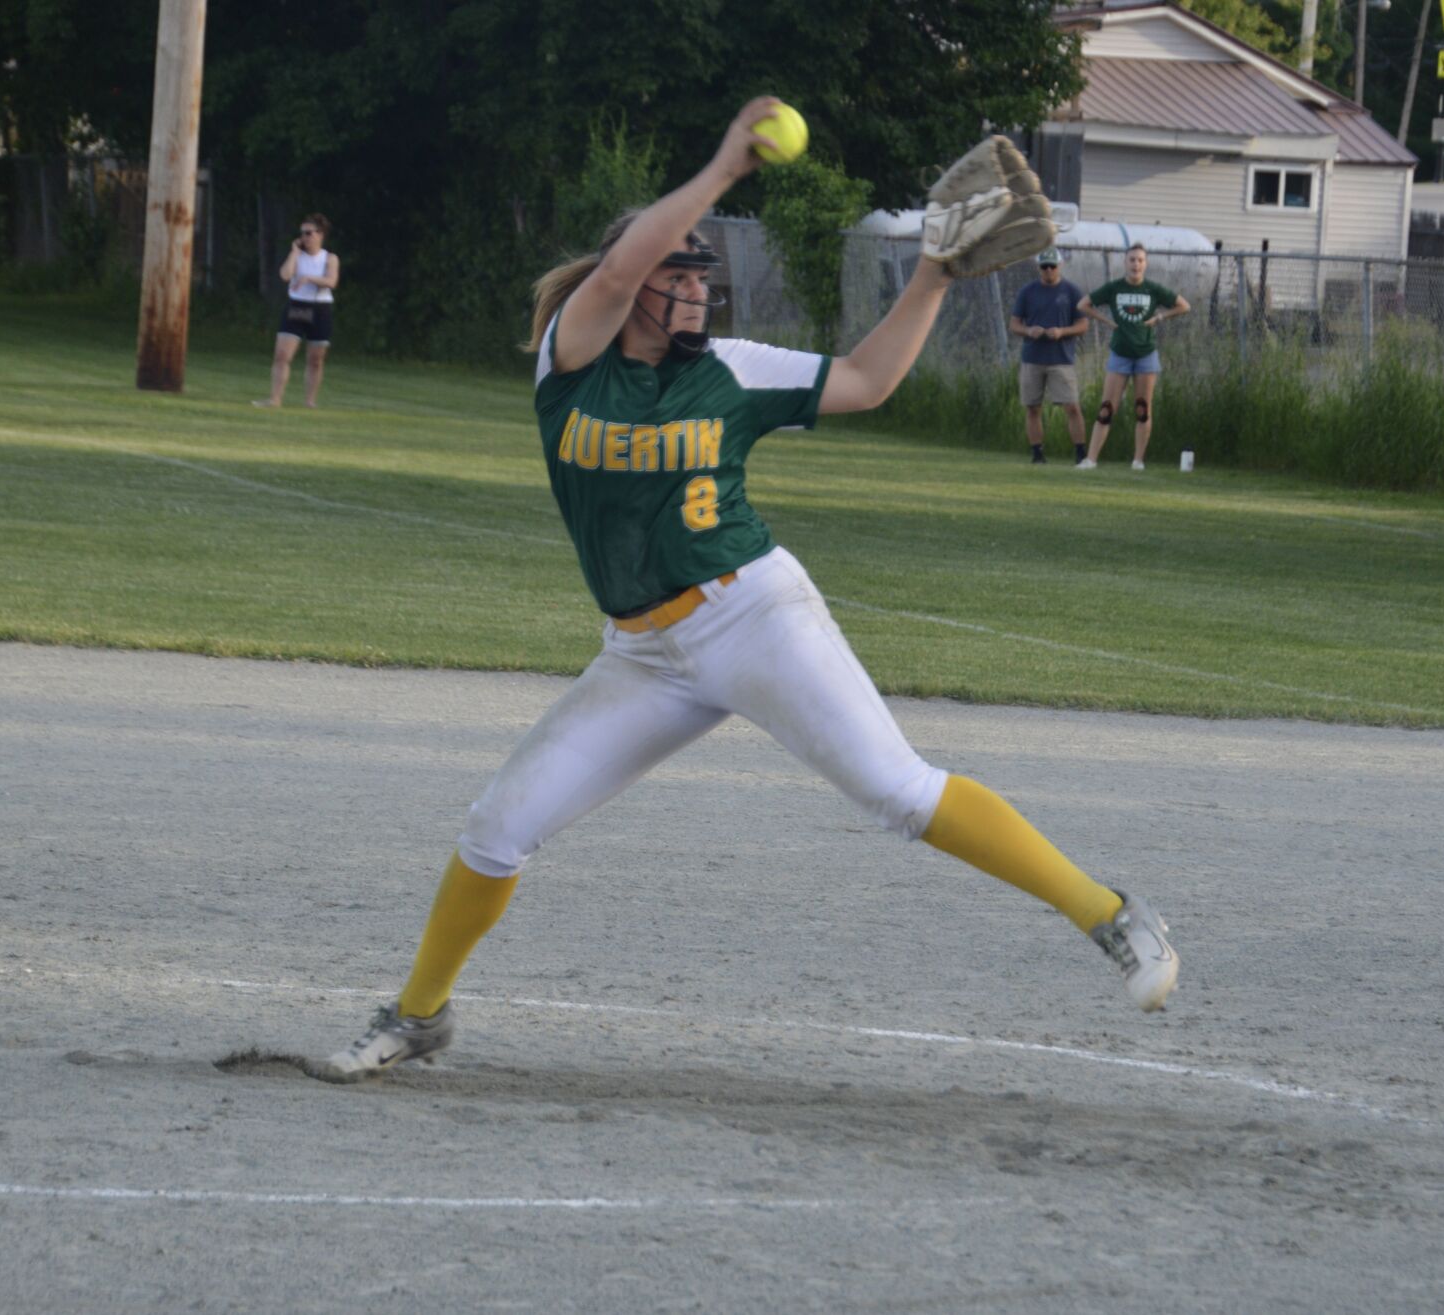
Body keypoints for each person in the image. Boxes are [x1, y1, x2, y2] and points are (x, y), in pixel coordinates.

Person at [316, 99, 1181, 1083]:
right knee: (496, 827)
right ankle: (418, 1014)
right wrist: (725, 166)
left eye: (701, 276)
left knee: (896, 790)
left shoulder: (728, 369)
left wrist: (933, 276)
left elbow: (864, 380)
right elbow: (614, 272)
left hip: (752, 613)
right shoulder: (574, 359)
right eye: (677, 275)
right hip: (642, 655)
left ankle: (1111, 914)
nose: (696, 290)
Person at [1075, 243, 1189, 470]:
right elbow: (1083, 304)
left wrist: (1159, 318)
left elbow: (1183, 305)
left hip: (1146, 355)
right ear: (1125, 263)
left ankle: (1138, 461)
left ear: (1145, 264)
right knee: (1106, 409)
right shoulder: (1114, 288)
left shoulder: (1152, 289)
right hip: (1120, 355)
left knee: (1142, 409)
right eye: (1132, 260)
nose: (1136, 264)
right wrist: (1106, 321)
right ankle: (1090, 460)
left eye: (1140, 260)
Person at [1008, 247, 1089, 465]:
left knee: (1072, 407)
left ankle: (1081, 453)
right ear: (1039, 268)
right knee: (1033, 407)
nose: (1049, 270)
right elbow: (1014, 324)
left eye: (1053, 266)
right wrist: (1029, 331)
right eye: (1045, 266)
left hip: (1061, 359)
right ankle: (1037, 454)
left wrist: (1062, 332)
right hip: (1032, 358)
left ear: (1060, 266)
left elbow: (1083, 324)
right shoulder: (1027, 291)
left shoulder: (1072, 291)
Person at [254, 214, 340, 409]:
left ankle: (310, 401)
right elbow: (285, 275)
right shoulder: (297, 256)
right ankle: (275, 399)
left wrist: (308, 278)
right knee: (282, 355)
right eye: (302, 233)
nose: (304, 237)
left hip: (320, 309)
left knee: (315, 359)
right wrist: (294, 252)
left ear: (320, 235)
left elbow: (331, 281)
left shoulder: (329, 258)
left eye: (309, 233)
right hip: (297, 307)